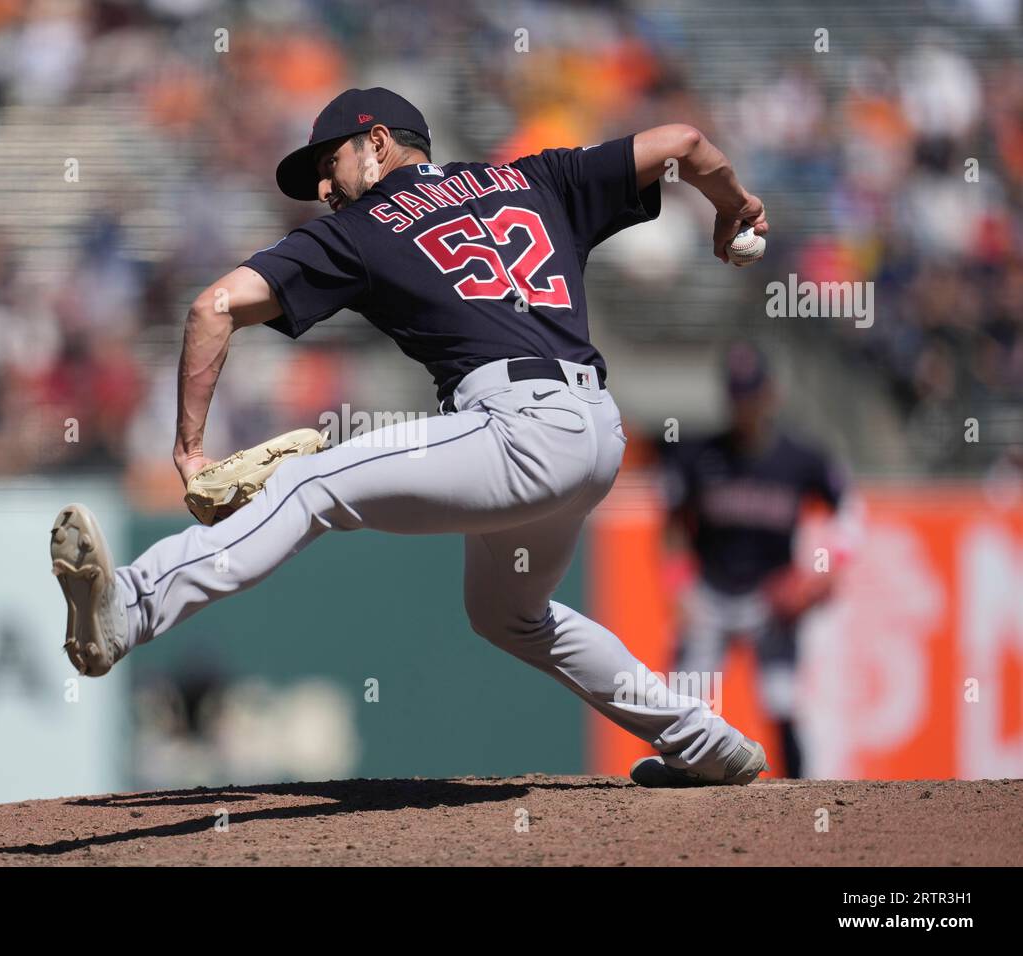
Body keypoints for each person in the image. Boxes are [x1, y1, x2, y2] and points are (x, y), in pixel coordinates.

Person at [50, 87, 773, 787]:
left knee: (310, 480)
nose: (324, 192)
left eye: (327, 166)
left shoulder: (364, 227)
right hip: (594, 434)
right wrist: (732, 206)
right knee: (508, 614)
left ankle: (130, 608)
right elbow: (684, 144)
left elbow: (213, 307)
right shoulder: (534, 176)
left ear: (377, 143)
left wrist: (189, 451)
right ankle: (704, 743)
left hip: (517, 430)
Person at [660, 342, 854, 778]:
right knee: (682, 704)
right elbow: (672, 524)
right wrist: (679, 587)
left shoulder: (802, 458)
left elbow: (848, 509)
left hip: (771, 598)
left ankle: (801, 800)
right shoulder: (698, 454)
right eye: (736, 395)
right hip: (710, 591)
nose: (743, 406)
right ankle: (675, 790)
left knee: (782, 701)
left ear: (770, 393)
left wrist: (823, 575)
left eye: (750, 394)